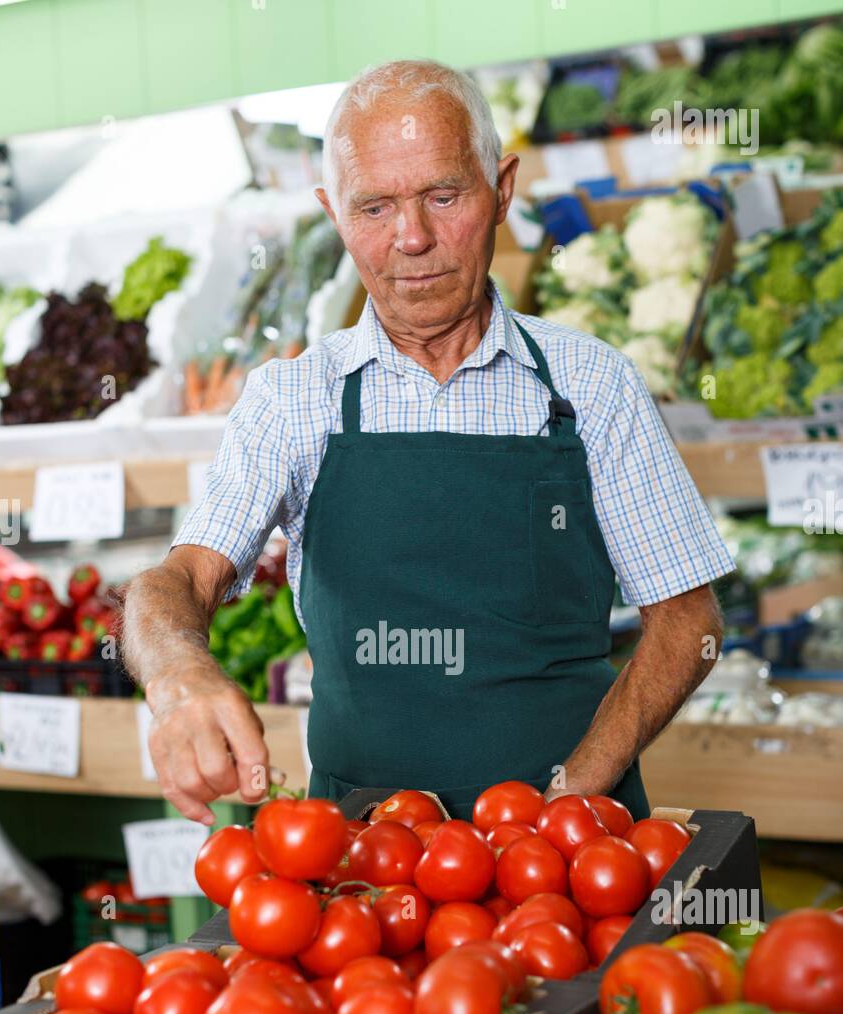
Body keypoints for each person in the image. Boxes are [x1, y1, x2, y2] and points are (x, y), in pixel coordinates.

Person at [122, 59, 733, 825]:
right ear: (333, 214)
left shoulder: (591, 385)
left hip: (569, 845)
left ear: (501, 189)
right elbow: (173, 582)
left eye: (443, 197)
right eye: (373, 208)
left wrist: (572, 796)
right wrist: (180, 673)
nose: (411, 238)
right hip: (356, 858)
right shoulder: (293, 400)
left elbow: (688, 620)